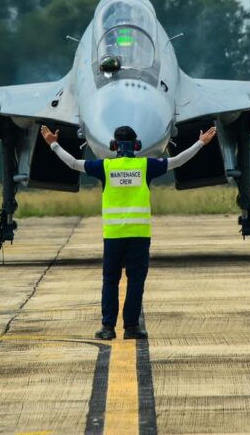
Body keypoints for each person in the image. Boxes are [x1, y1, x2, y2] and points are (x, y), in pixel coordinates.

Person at [41, 123, 217, 340]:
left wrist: (53, 144)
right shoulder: (145, 166)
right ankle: (132, 327)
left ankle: (107, 328)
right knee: (136, 282)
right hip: (139, 236)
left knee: (110, 281)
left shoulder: (105, 167)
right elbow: (178, 160)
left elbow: (73, 163)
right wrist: (201, 142)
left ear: (114, 145)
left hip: (113, 236)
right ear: (136, 145)